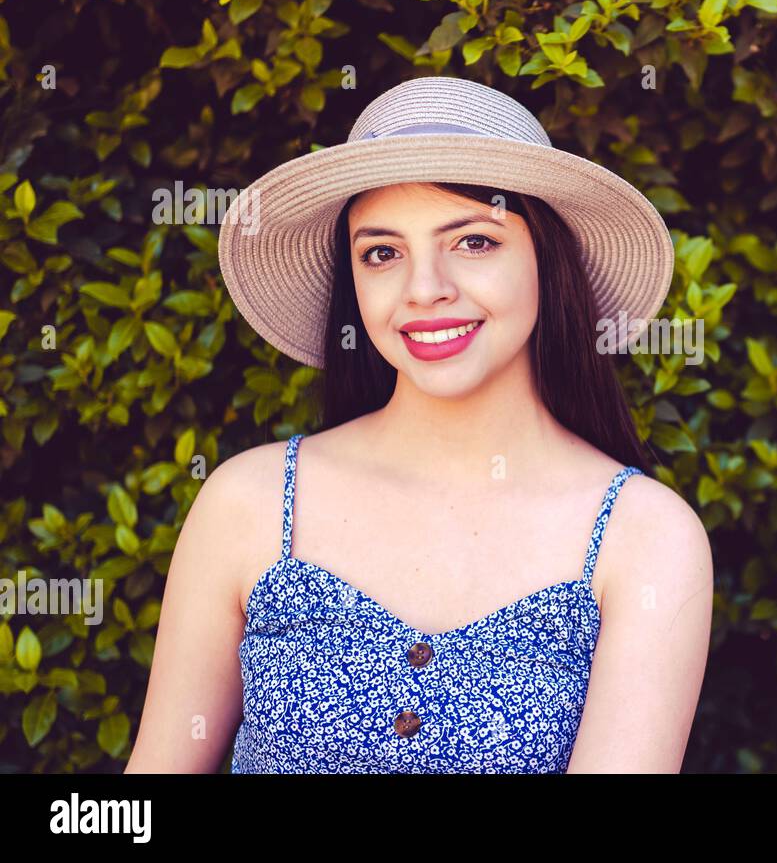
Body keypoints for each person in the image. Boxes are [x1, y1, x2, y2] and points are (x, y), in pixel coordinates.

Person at [125, 77, 713, 773]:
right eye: (382, 251)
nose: (423, 288)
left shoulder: (644, 537)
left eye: (472, 241)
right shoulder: (246, 503)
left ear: (545, 260)